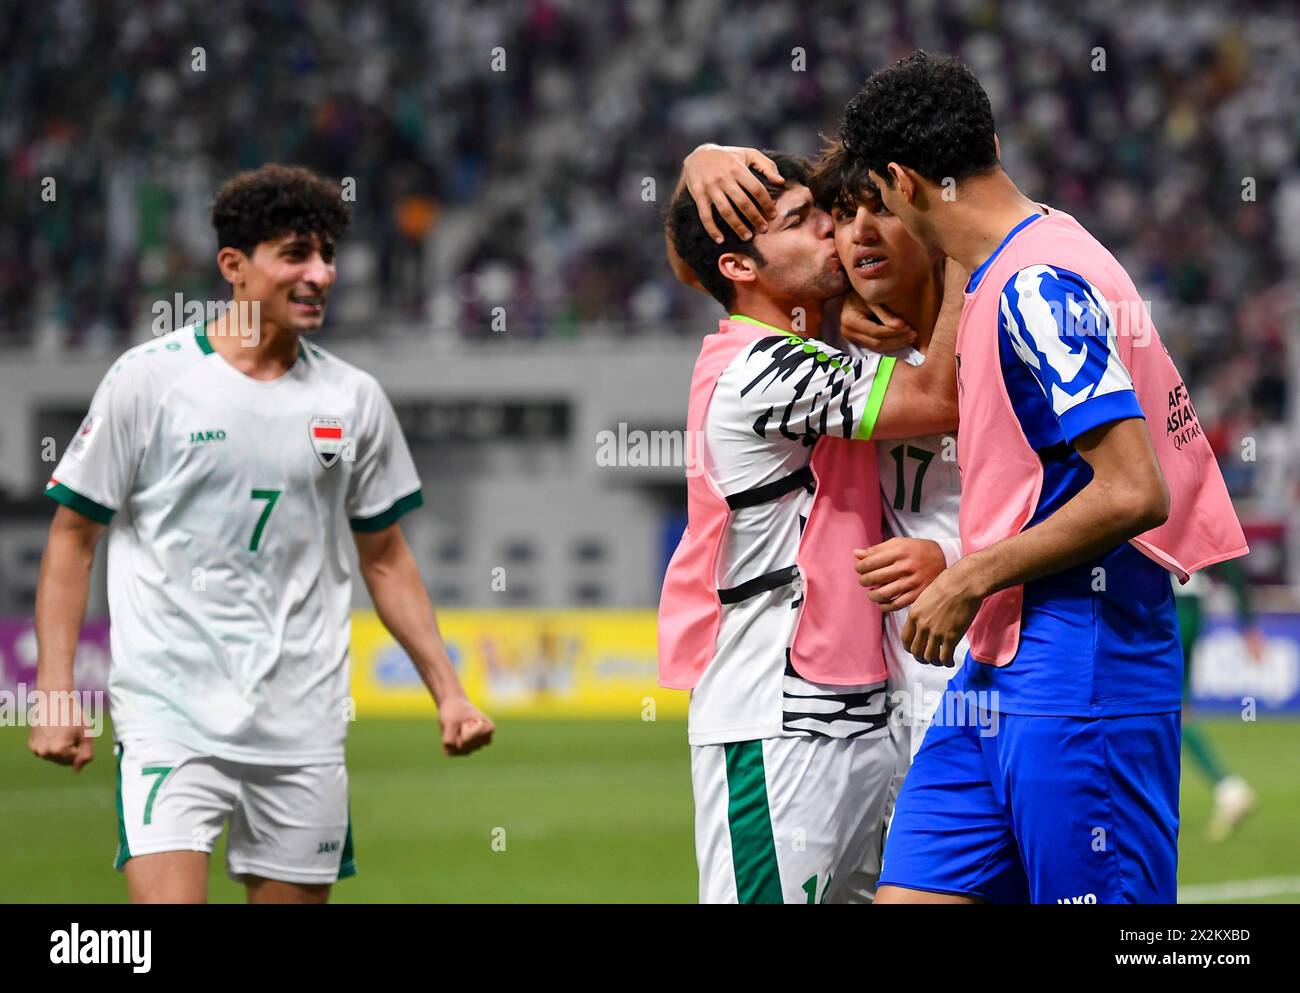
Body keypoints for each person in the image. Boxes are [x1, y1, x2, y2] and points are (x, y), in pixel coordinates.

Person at [841, 51, 1248, 904]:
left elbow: (1134, 489)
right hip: (993, 670)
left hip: (1081, 662)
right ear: (990, 138)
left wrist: (967, 575)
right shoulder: (1028, 262)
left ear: (901, 184)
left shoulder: (1037, 285)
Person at [29, 164, 494, 904]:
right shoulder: (149, 380)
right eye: (297, 254)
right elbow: (72, 537)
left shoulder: (355, 398)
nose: (320, 274)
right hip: (168, 715)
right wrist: (56, 692)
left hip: (302, 725)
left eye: (328, 256)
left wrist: (449, 691)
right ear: (234, 267)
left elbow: (386, 558)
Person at [659, 151, 963, 903]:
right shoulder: (759, 370)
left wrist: (702, 163)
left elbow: (688, 253)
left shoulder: (809, 346)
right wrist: (969, 247)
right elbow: (939, 395)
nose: (831, 227)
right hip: (778, 721)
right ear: (739, 266)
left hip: (865, 715)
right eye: (800, 221)